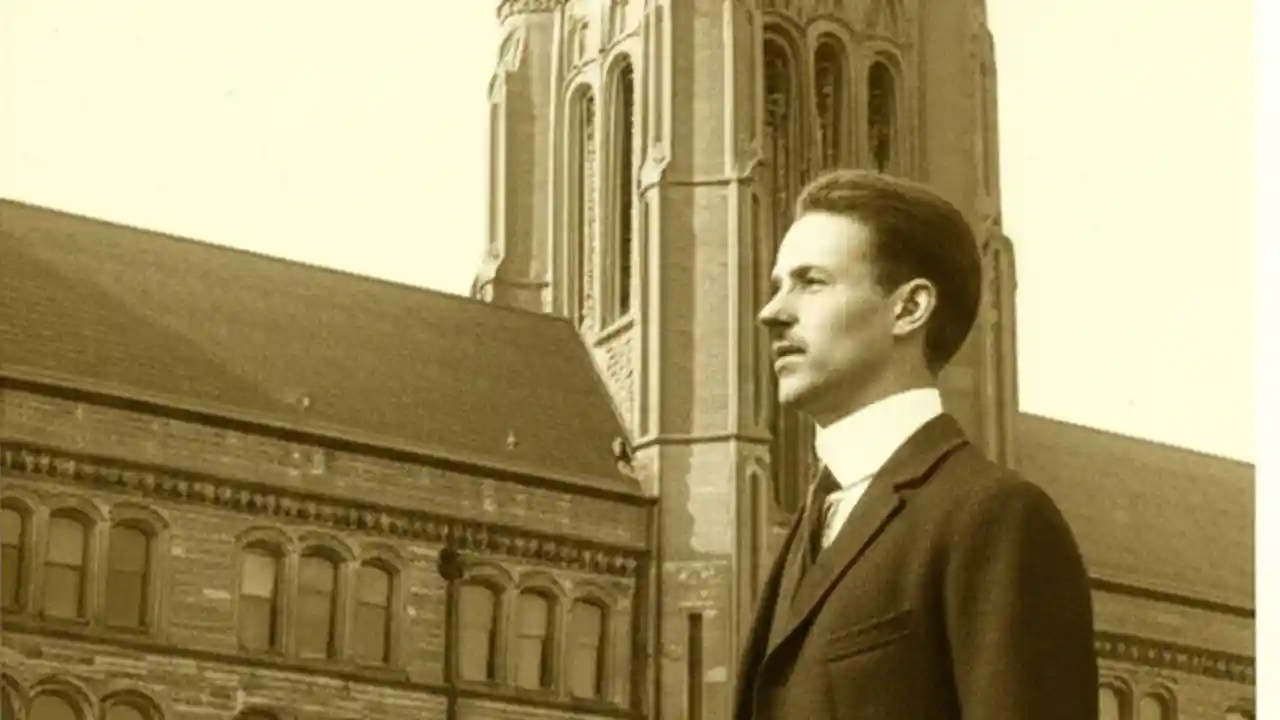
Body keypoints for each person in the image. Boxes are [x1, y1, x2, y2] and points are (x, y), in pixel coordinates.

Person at [734, 169, 1098, 719]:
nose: (772, 312)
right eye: (777, 285)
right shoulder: (811, 530)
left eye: (811, 282)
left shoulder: (995, 518)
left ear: (909, 308)